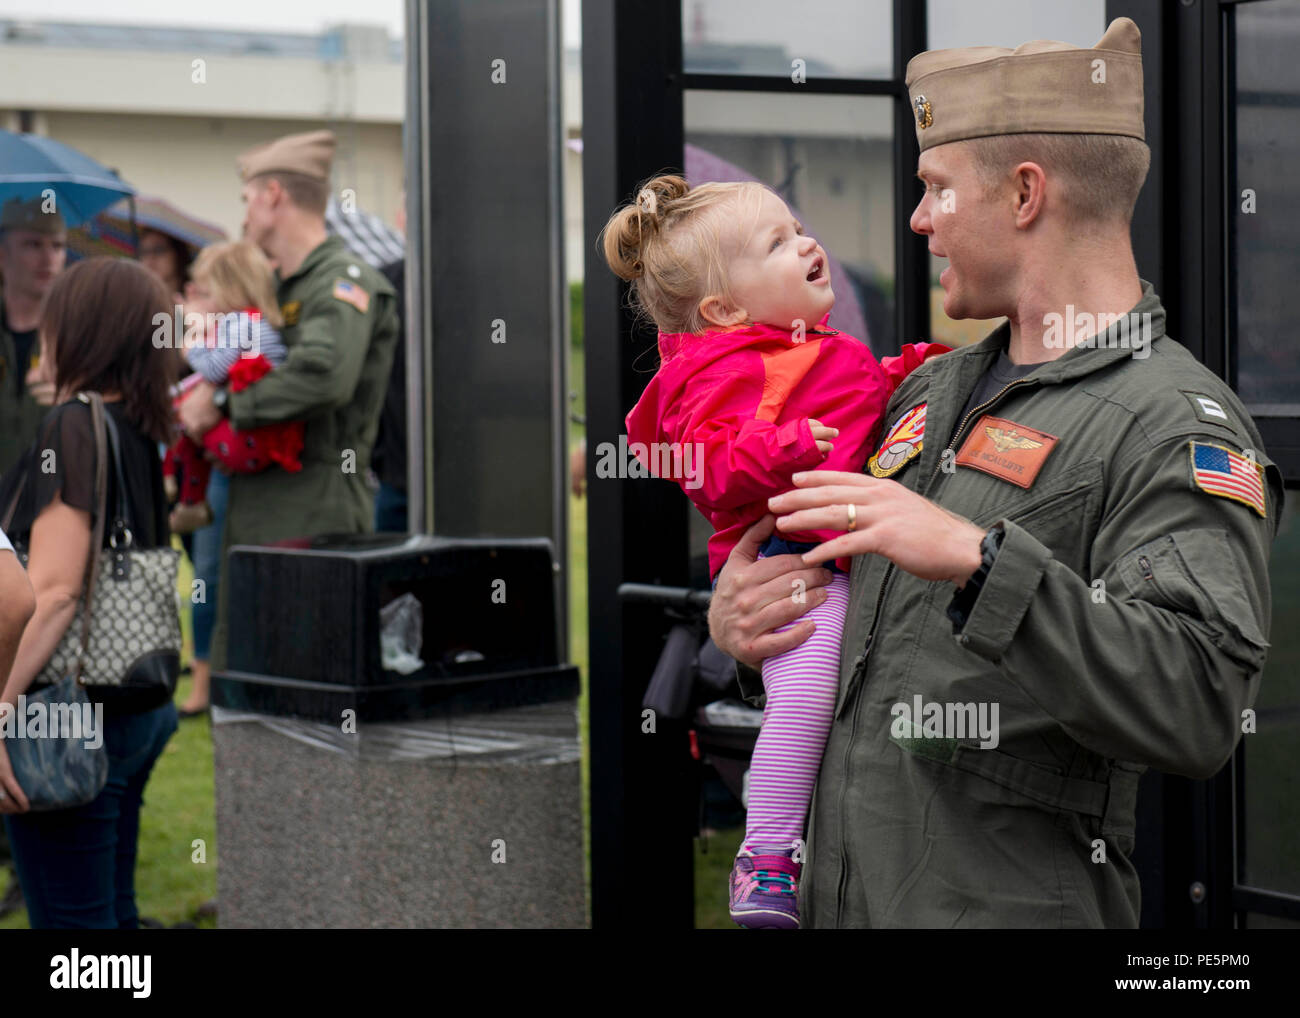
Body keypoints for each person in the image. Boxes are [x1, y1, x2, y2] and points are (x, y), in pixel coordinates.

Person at [707, 17, 1283, 928]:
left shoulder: (1173, 423)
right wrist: (753, 623)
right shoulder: (924, 392)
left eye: (936, 188)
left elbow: (1198, 701)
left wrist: (979, 561)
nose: (917, 219)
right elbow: (859, 645)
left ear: (1024, 195)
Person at [605, 174, 947, 928]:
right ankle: (764, 856)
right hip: (797, 567)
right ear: (725, 308)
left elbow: (855, 415)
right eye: (778, 244)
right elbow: (710, 466)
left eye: (797, 228)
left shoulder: (806, 350)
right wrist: (783, 447)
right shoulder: (721, 369)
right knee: (808, 692)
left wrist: (908, 374)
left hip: (832, 553)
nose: (806, 244)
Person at [178, 130, 399, 679]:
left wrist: (224, 399)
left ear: (273, 195)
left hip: (312, 505)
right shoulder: (283, 286)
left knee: (303, 670)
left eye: (247, 198)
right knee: (258, 666)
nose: (245, 214)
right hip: (266, 504)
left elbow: (323, 377)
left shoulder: (339, 283)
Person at [0, 257, 179, 929]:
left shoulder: (74, 425)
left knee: (73, 936)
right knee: (111, 916)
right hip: (137, 702)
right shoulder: (137, 424)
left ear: (81, 332)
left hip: (68, 712)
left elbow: (53, 593)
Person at [163, 242, 295, 717]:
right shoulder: (265, 323)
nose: (200, 293)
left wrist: (188, 340)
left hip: (235, 453)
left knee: (211, 576)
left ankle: (204, 683)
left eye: (206, 286)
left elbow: (210, 368)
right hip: (255, 456)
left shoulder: (241, 324)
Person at [0, 197, 67, 477]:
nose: (48, 259)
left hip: (48, 501)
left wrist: (75, 402)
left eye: (58, 246)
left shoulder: (78, 332)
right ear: (2, 254)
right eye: (33, 244)